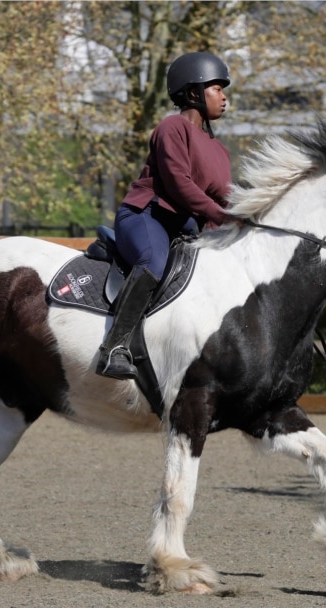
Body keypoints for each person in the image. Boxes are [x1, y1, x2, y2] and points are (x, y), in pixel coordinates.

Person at [96, 51, 235, 380]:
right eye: (217, 88)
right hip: (147, 216)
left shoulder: (219, 149)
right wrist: (221, 214)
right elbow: (178, 183)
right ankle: (114, 348)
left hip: (182, 226)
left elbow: (225, 201)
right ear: (193, 93)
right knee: (153, 264)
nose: (225, 96)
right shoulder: (172, 128)